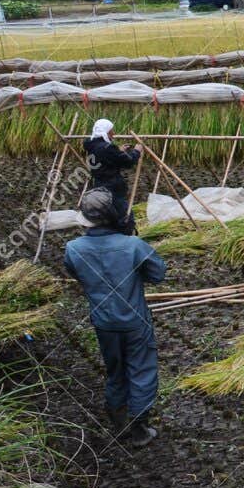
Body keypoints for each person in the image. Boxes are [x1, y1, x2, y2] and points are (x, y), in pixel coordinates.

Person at [63, 189, 167, 447]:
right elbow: (158, 274)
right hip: (134, 321)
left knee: (115, 370)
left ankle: (119, 422)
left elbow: (76, 274)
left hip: (103, 322)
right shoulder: (132, 245)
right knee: (141, 369)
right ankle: (139, 428)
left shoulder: (74, 249)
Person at [81, 118, 141, 233]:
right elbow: (128, 162)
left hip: (98, 186)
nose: (113, 134)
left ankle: (109, 234)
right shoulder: (107, 148)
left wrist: (119, 151)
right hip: (112, 187)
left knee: (105, 213)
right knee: (122, 216)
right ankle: (123, 236)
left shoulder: (91, 145)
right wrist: (136, 151)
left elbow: (106, 159)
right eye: (111, 131)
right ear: (106, 132)